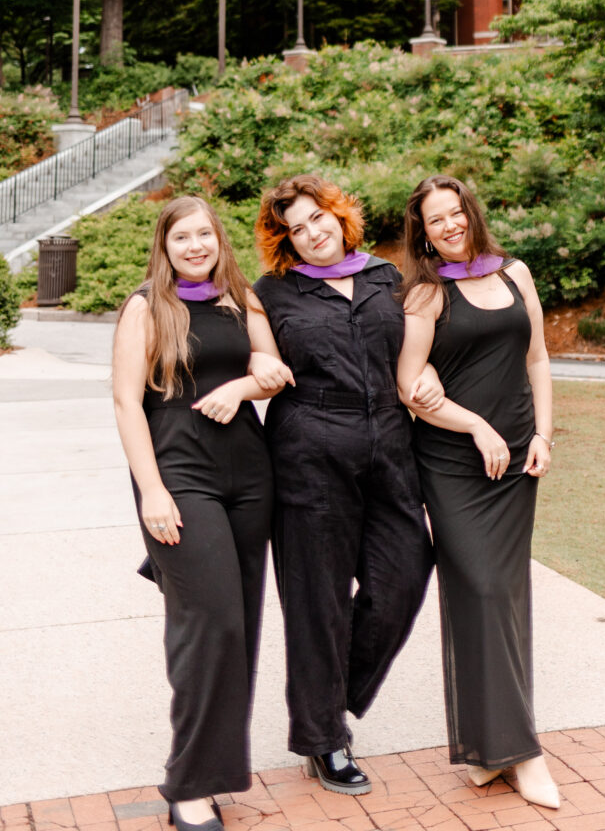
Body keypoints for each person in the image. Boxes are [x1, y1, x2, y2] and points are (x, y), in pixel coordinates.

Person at [112, 196, 293, 831]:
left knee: (238, 626)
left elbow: (274, 370)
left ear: (219, 240)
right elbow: (127, 405)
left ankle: (214, 774)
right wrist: (152, 492)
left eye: (205, 235)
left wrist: (245, 383)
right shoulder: (146, 306)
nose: (195, 246)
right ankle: (187, 785)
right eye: (182, 237)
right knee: (207, 625)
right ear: (164, 246)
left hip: (249, 472)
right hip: (179, 472)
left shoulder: (237, 297)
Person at [253, 173, 437, 796]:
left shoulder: (389, 279)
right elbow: (241, 349)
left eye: (316, 218)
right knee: (318, 603)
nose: (311, 234)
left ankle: (328, 702)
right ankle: (324, 737)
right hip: (310, 451)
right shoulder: (271, 294)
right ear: (285, 243)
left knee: (404, 575)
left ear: (339, 214)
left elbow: (420, 345)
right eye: (295, 230)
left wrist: (431, 374)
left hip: (390, 447)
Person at [396, 174, 560, 810]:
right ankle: (522, 753)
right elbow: (411, 386)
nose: (450, 226)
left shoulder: (515, 272)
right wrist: (476, 424)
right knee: (482, 592)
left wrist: (543, 434)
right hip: (454, 467)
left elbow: (539, 358)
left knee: (502, 595)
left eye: (455, 212)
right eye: (435, 220)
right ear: (424, 233)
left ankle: (486, 750)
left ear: (471, 212)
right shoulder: (425, 296)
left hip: (519, 465)